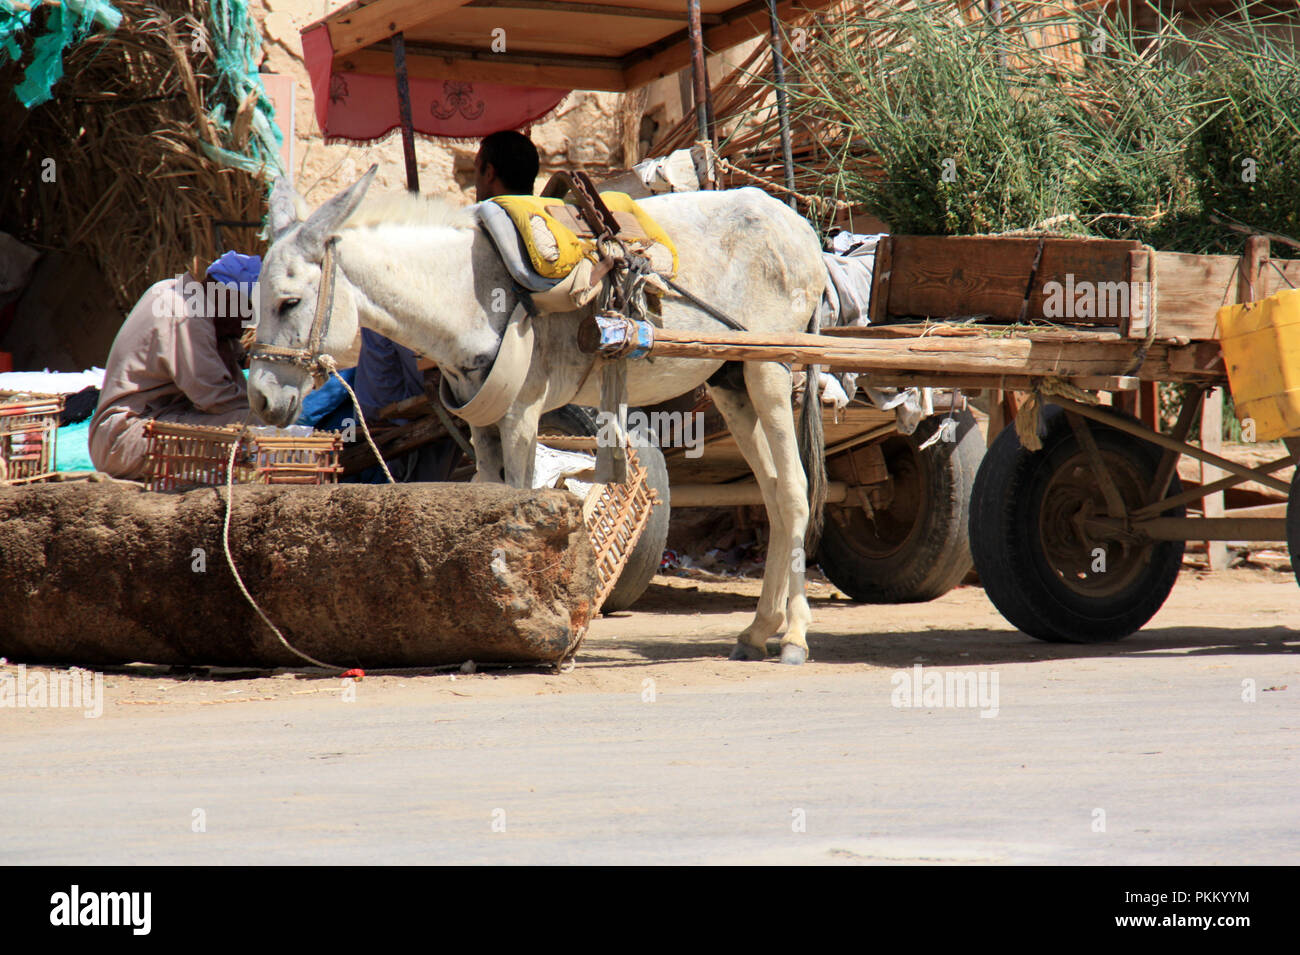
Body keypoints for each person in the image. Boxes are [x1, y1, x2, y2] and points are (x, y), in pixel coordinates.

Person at [347, 129, 540, 481]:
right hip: (525, 351)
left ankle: (389, 441)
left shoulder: (473, 229)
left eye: (478, 169)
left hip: (444, 388)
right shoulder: (544, 224)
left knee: (384, 328)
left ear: (490, 173)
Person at [88, 251, 258, 480]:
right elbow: (216, 398)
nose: (245, 327)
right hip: (127, 439)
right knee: (259, 427)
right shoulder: (186, 314)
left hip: (134, 431)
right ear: (227, 298)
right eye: (248, 313)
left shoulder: (172, 290)